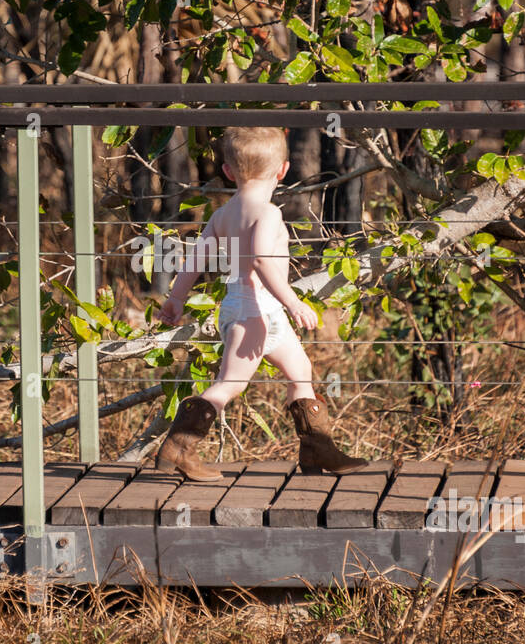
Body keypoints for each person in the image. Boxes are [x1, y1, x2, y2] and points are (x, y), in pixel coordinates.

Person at [154, 126, 368, 481]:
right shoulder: (267, 214)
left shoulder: (223, 214)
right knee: (231, 384)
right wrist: (294, 301)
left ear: (228, 172)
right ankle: (179, 446)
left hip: (251, 309)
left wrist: (176, 298)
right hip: (256, 310)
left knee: (300, 372)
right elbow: (261, 260)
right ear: (283, 170)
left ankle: (317, 448)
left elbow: (197, 257)